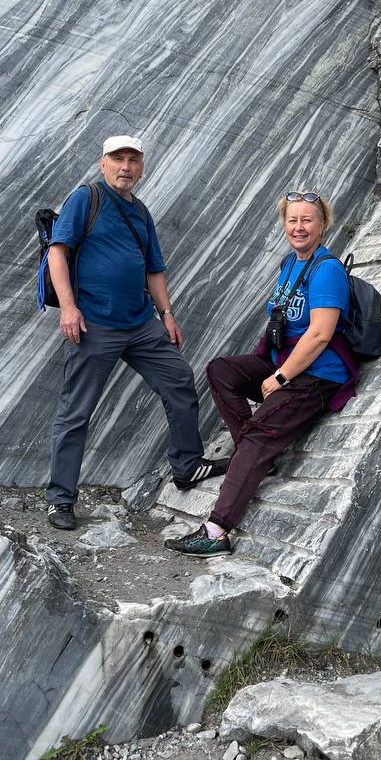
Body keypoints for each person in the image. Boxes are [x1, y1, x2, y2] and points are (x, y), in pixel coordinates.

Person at [42, 136, 227, 529]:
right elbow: (57, 252)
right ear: (103, 163)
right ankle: (60, 499)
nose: (125, 166)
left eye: (133, 160)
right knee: (76, 411)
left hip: (141, 323)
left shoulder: (140, 211)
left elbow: (153, 268)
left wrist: (167, 314)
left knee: (179, 379)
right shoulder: (85, 198)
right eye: (118, 159)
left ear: (141, 167)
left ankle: (187, 465)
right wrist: (69, 308)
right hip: (94, 323)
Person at [166, 190, 357, 556]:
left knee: (257, 434)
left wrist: (280, 378)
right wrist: (274, 369)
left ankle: (216, 531)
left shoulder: (327, 269)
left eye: (307, 220)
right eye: (292, 220)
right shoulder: (291, 263)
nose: (299, 227)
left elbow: (319, 334)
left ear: (322, 225)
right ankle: (251, 458)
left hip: (316, 375)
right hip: (285, 360)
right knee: (221, 370)